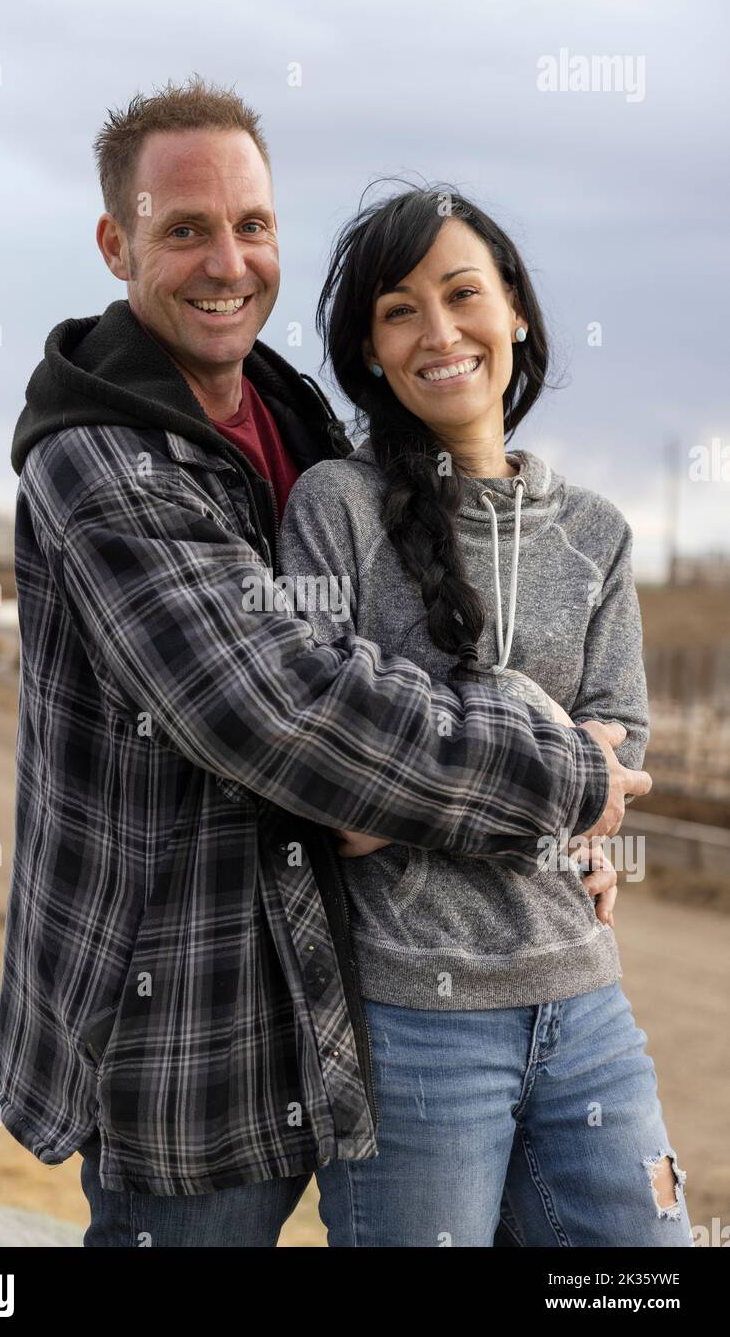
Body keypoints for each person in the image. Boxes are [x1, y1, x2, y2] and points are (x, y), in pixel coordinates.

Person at [0, 79, 647, 1248]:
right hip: (184, 1024)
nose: (226, 259)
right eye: (184, 228)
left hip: (328, 997)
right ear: (116, 242)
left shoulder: (290, 422)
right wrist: (559, 778)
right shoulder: (95, 456)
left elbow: (419, 664)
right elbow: (281, 709)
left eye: (252, 225)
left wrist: (576, 824)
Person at [278, 183, 691, 1247]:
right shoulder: (337, 508)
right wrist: (545, 765)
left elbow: (619, 765)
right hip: (413, 1017)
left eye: (464, 294)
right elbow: (331, 783)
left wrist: (429, 779)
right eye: (399, 310)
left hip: (586, 1003)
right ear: (370, 351)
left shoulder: (594, 534)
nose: (439, 331)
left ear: (515, 312)